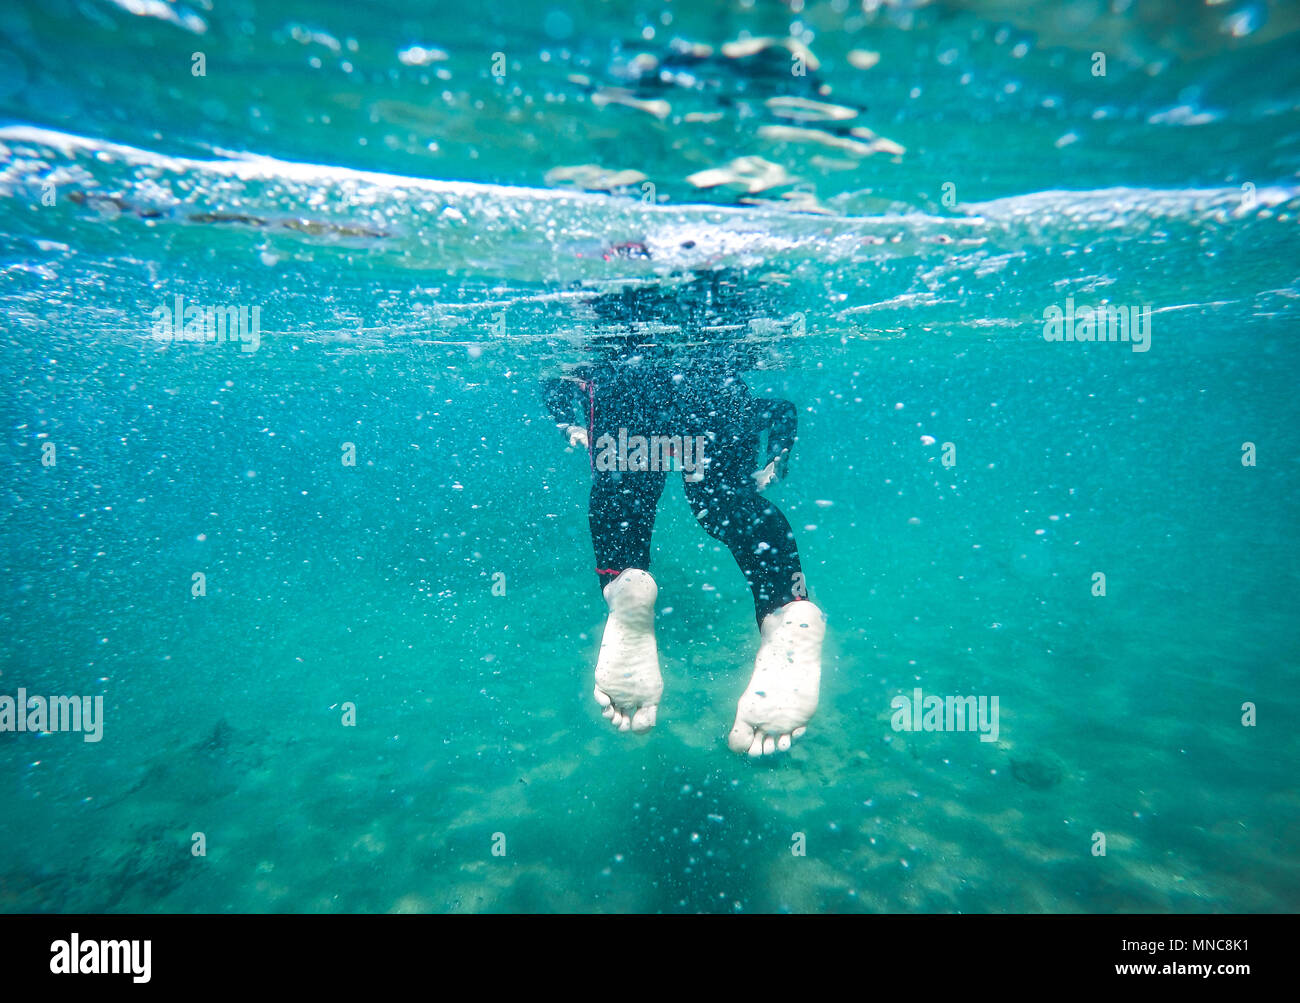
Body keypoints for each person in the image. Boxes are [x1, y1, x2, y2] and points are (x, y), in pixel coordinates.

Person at [542, 271, 826, 757]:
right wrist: (778, 457)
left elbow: (553, 386)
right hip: (712, 386)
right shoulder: (731, 307)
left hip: (629, 379)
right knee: (728, 507)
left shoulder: (603, 310)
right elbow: (780, 409)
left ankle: (627, 581)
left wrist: (570, 424)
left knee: (624, 497)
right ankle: (786, 607)